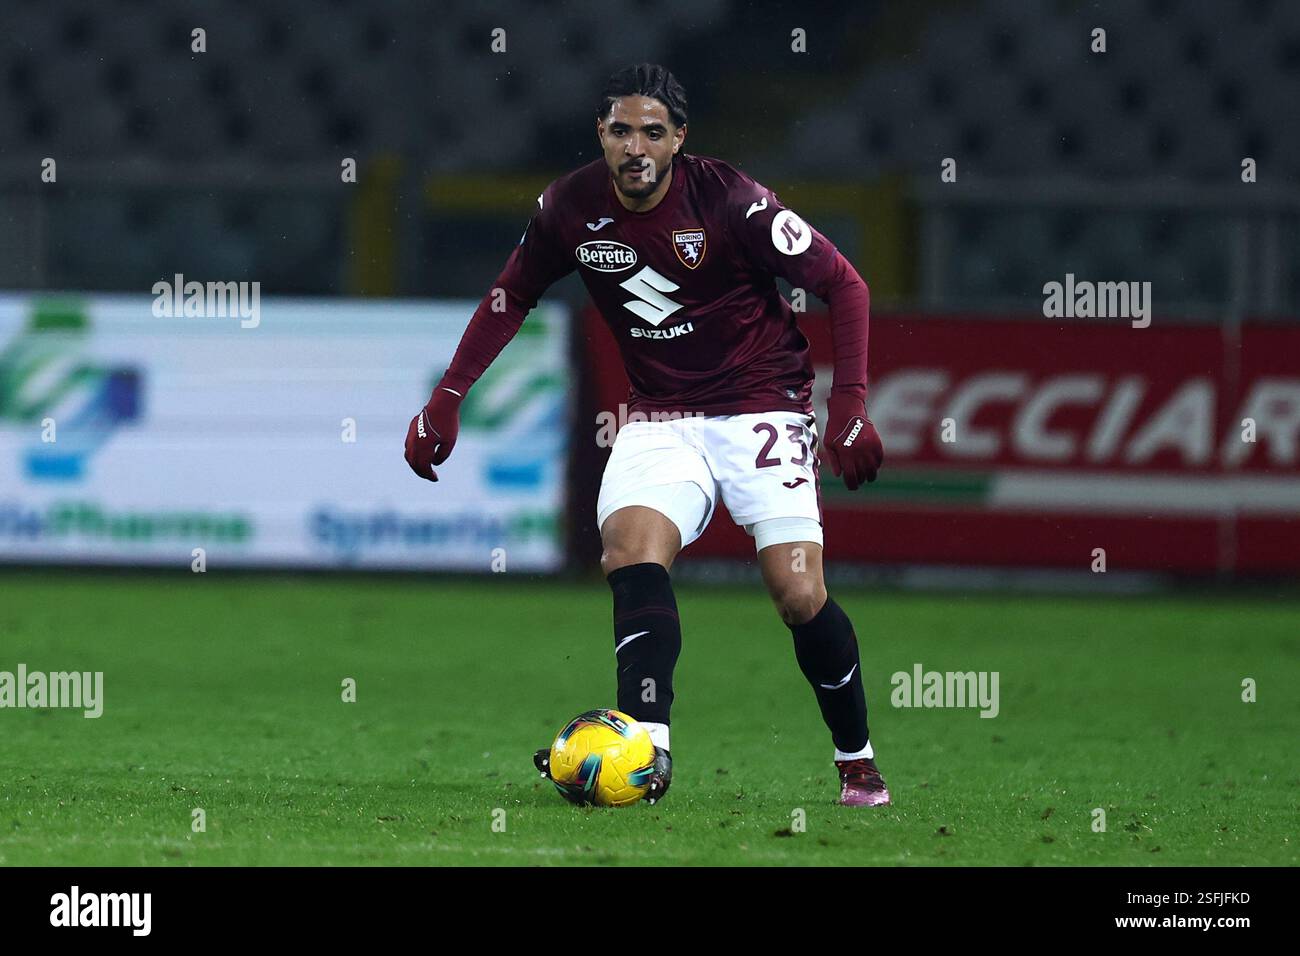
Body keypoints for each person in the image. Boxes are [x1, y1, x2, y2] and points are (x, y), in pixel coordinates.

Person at [405, 63, 889, 806]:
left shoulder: (732, 200)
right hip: (661, 413)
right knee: (630, 552)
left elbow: (843, 283)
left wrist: (849, 402)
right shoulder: (569, 208)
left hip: (763, 405)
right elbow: (512, 296)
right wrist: (447, 396)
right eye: (621, 130)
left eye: (653, 132)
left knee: (796, 591)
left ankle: (856, 759)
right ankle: (649, 751)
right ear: (600, 134)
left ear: (679, 140)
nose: (636, 147)